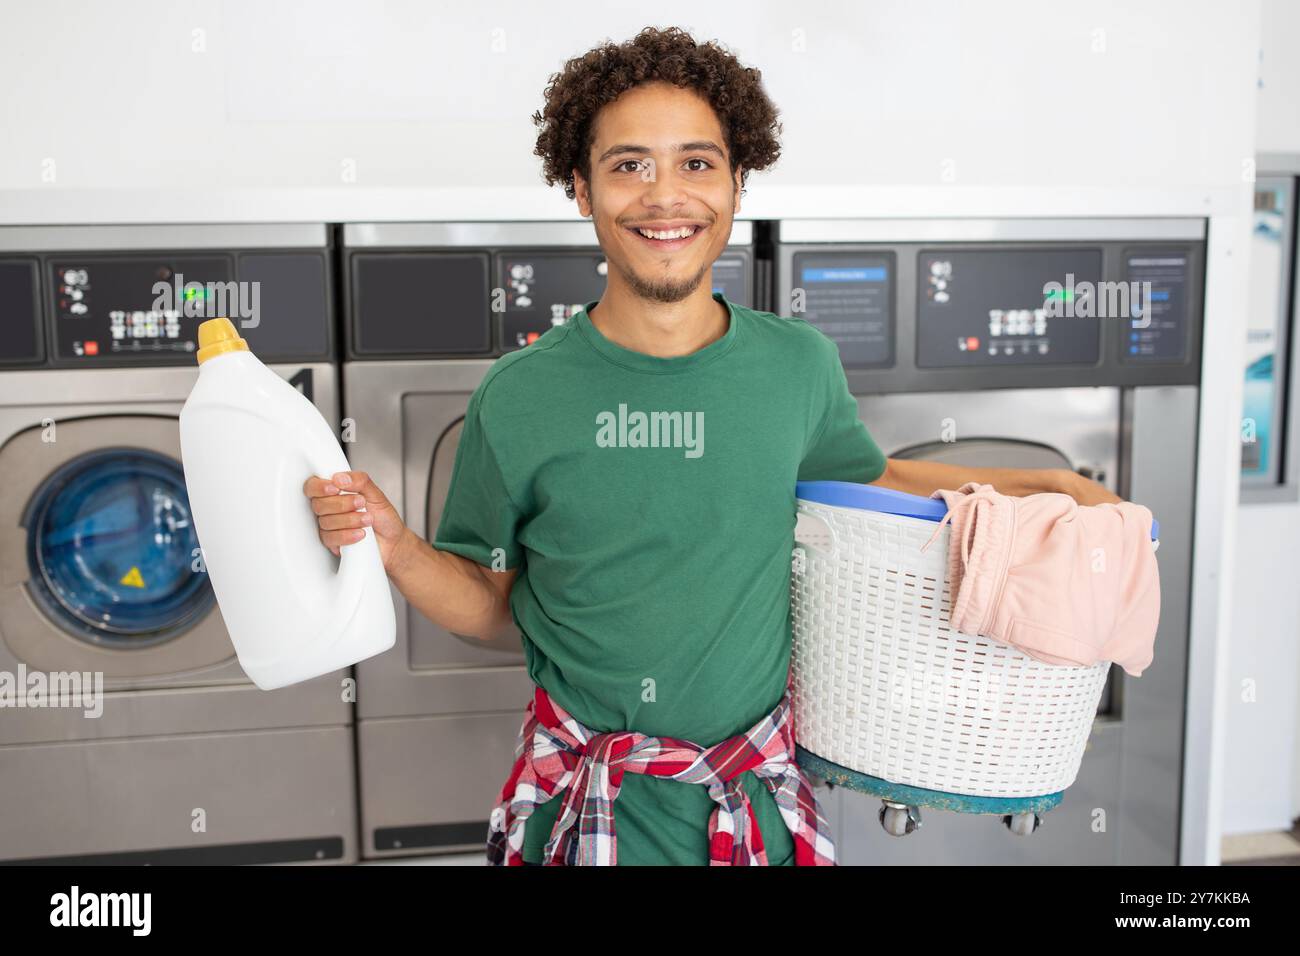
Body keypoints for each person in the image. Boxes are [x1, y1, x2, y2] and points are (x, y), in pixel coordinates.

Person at [302, 26, 1121, 866]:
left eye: (696, 163)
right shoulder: (518, 397)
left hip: (753, 802)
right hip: (586, 805)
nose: (666, 196)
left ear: (737, 180)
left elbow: (876, 484)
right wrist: (395, 546)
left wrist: (1045, 482)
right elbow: (489, 602)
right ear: (581, 189)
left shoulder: (797, 367)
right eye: (629, 165)